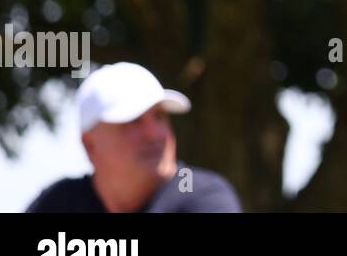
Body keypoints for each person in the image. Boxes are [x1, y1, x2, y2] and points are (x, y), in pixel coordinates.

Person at [26, 62, 242, 213]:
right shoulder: (60, 202)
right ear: (90, 145)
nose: (155, 134)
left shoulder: (200, 196)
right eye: (133, 120)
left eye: (159, 116)